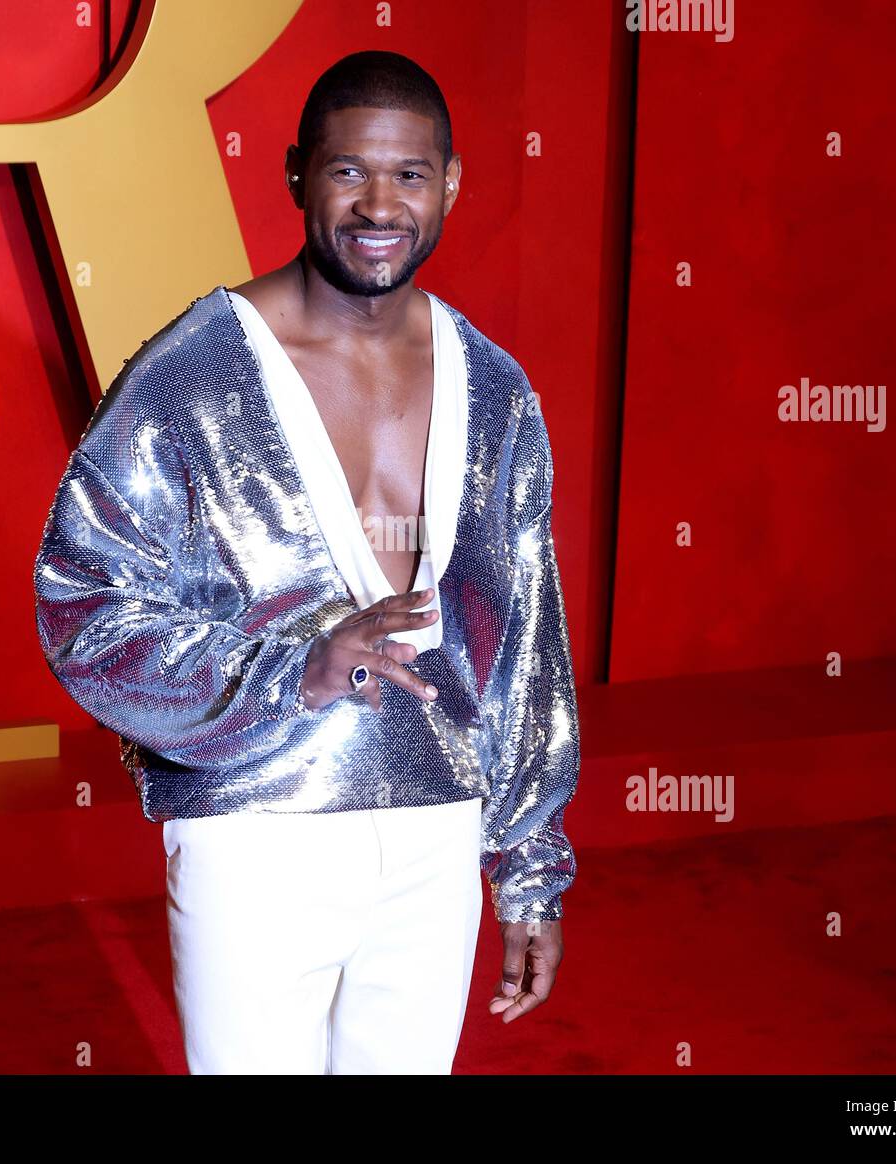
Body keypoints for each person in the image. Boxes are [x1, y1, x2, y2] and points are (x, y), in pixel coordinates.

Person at [33, 50, 580, 1074]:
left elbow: (527, 646)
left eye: (409, 175)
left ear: (450, 182)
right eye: (347, 172)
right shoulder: (192, 374)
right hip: (257, 830)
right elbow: (83, 604)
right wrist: (294, 670)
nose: (380, 204)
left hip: (435, 829)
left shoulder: (496, 389)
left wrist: (529, 868)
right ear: (296, 175)